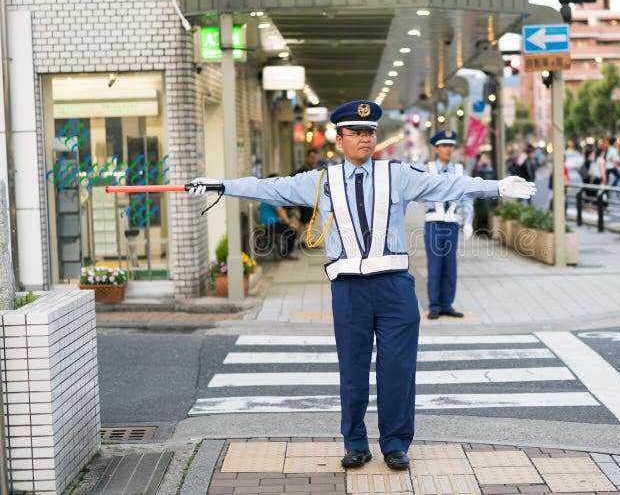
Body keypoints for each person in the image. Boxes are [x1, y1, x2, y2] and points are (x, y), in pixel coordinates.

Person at [188, 100, 535, 472]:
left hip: (395, 286)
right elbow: (270, 188)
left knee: (397, 370)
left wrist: (497, 186)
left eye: (370, 132)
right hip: (349, 289)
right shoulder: (322, 180)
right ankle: (355, 443)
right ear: (340, 139)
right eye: (355, 132)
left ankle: (395, 444)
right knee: (352, 371)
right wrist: (221, 185)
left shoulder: (396, 174)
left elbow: (447, 184)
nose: (365, 138)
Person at [424, 130, 471, 321]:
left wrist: (468, 220)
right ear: (436, 149)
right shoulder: (427, 169)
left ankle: (447, 304)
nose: (448, 149)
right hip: (433, 222)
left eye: (450, 145)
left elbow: (467, 196)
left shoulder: (460, 170)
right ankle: (434, 305)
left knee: (450, 266)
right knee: (435, 265)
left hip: (451, 222)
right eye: (444, 145)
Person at [257, 173, 300, 260]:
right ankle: (285, 254)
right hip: (270, 226)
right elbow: (279, 210)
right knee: (292, 231)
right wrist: (289, 223)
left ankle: (285, 252)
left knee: (290, 229)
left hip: (267, 225)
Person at [292, 149, 319, 246]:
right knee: (308, 220)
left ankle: (301, 241)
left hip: (306, 197)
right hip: (304, 198)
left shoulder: (311, 167)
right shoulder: (304, 168)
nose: (313, 159)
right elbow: (293, 178)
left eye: (315, 157)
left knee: (304, 221)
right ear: (307, 157)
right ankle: (307, 241)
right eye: (312, 157)